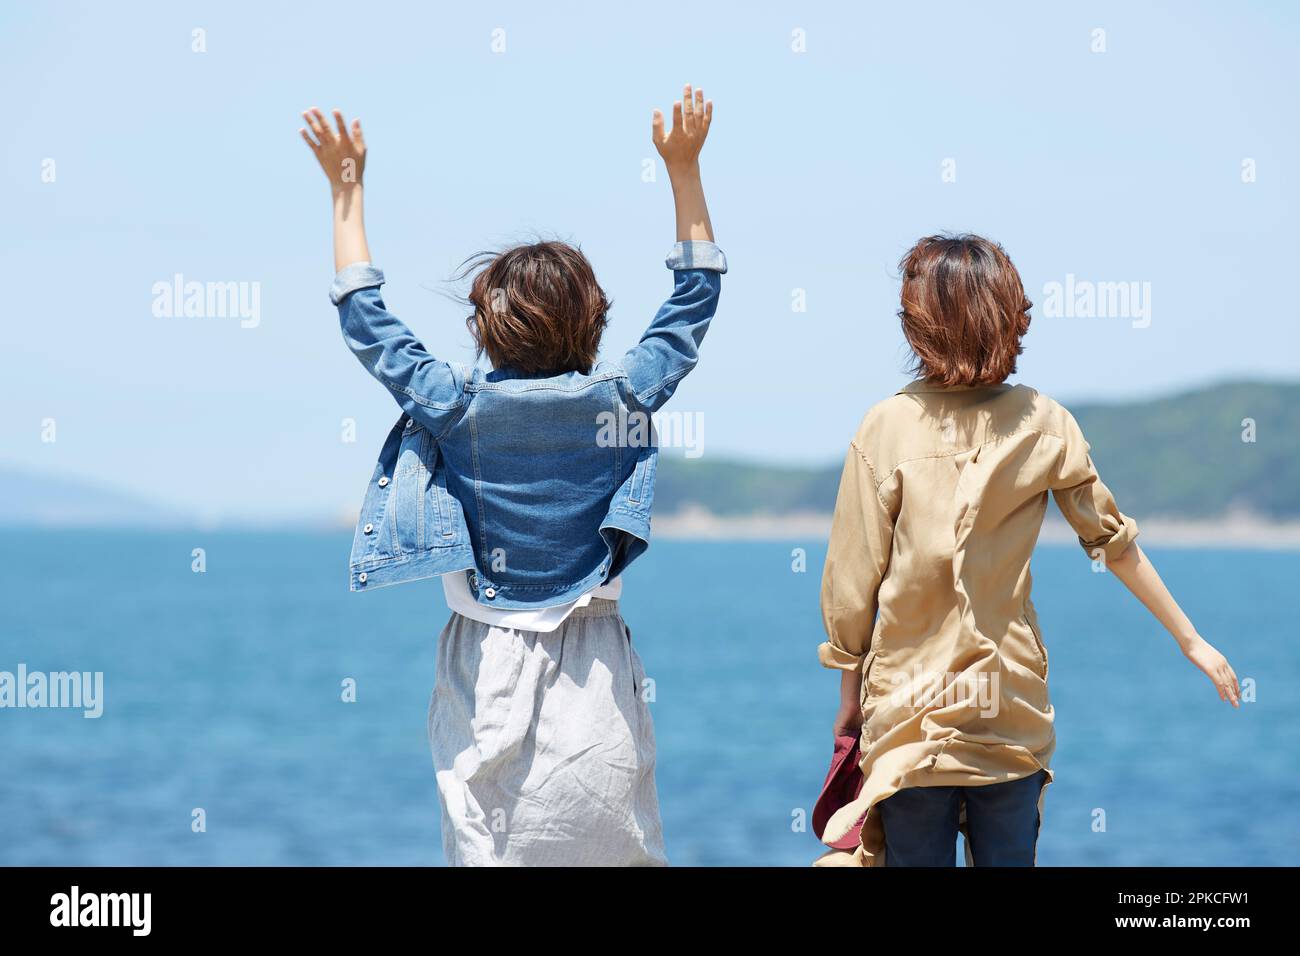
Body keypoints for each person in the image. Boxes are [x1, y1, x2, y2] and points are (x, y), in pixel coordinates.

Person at [299, 85, 726, 866]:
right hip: (595, 659)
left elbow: (367, 319)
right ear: (593, 321)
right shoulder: (620, 401)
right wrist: (684, 169)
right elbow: (694, 300)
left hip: (485, 655)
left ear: (485, 326)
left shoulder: (456, 409)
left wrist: (347, 188)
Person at [816, 234, 1239, 867]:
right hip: (1008, 712)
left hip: (908, 719)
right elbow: (1112, 544)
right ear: (1009, 315)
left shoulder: (885, 425)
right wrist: (1191, 640)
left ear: (918, 324)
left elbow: (853, 589)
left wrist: (849, 706)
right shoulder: (1043, 421)